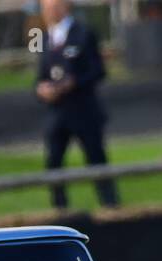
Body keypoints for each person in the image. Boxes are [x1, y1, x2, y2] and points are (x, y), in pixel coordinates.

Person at [36, 0, 116, 209]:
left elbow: (98, 70)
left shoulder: (83, 33)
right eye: (46, 8)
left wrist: (74, 83)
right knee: (54, 162)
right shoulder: (44, 38)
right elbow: (41, 75)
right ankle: (59, 210)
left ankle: (110, 206)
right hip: (57, 114)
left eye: (53, 7)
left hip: (84, 112)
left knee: (96, 160)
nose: (49, 12)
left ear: (65, 6)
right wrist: (42, 89)